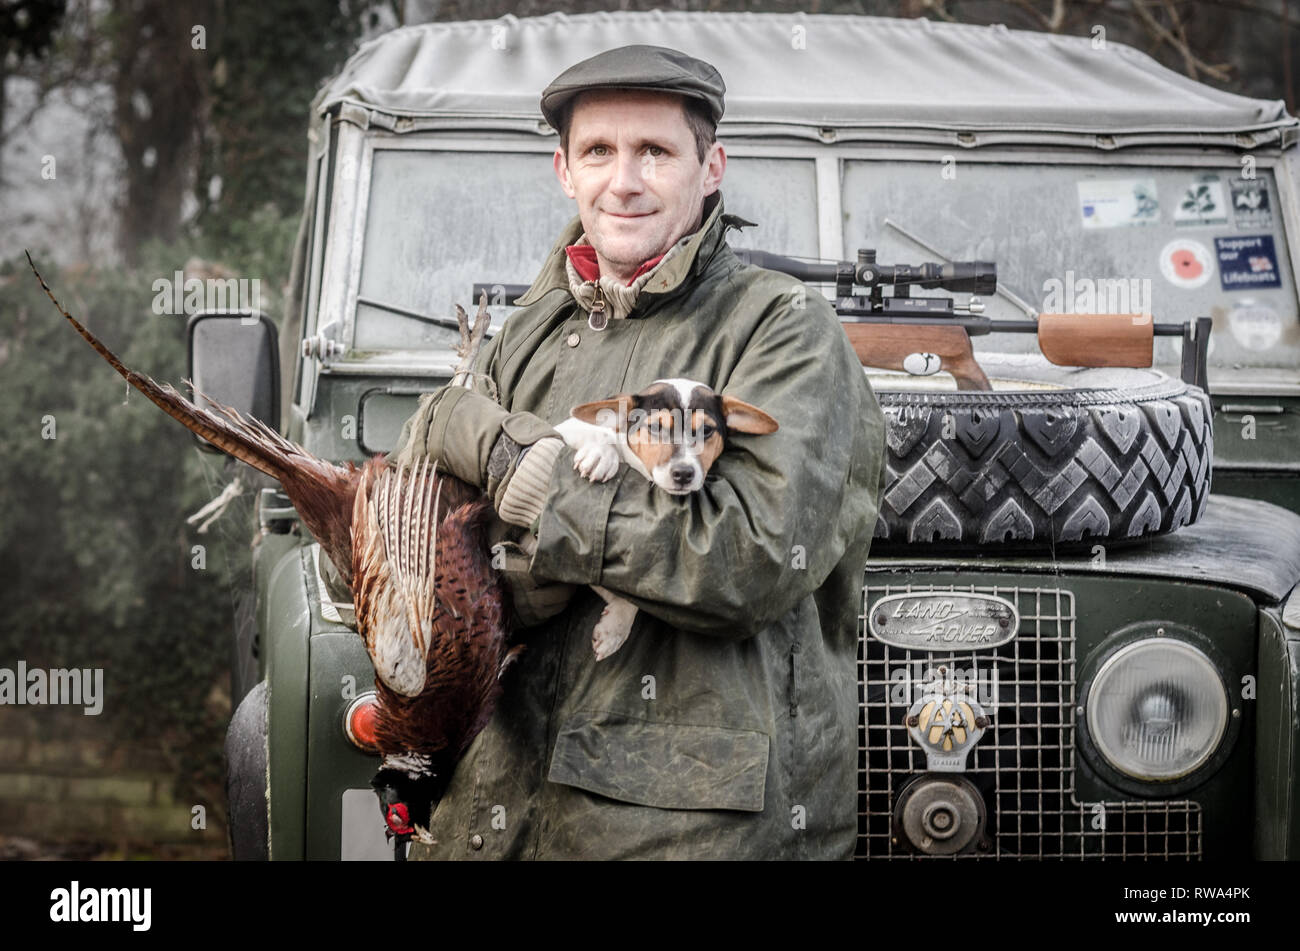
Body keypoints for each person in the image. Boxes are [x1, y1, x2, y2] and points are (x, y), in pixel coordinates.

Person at [383, 44, 887, 859]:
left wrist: (527, 476)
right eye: (598, 152)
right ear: (563, 171)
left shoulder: (782, 329)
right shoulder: (530, 332)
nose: (623, 180)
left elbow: (745, 560)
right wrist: (438, 430)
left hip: (684, 829)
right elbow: (426, 536)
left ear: (711, 165)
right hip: (497, 814)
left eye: (654, 151)